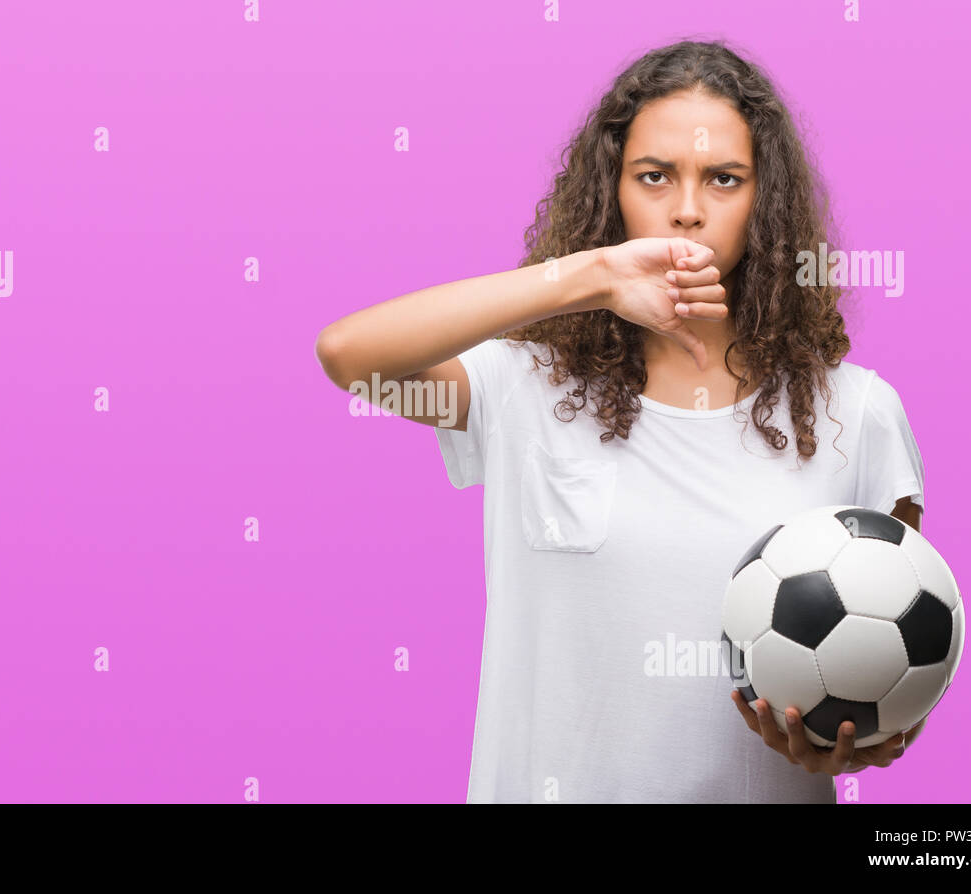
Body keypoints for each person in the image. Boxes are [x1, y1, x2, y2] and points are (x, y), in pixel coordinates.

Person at [314, 39, 927, 803]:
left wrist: (852, 746)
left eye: (724, 179)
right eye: (654, 176)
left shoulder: (854, 413)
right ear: (612, 191)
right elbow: (350, 356)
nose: (687, 208)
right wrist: (593, 273)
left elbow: (890, 657)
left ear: (765, 202)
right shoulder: (524, 388)